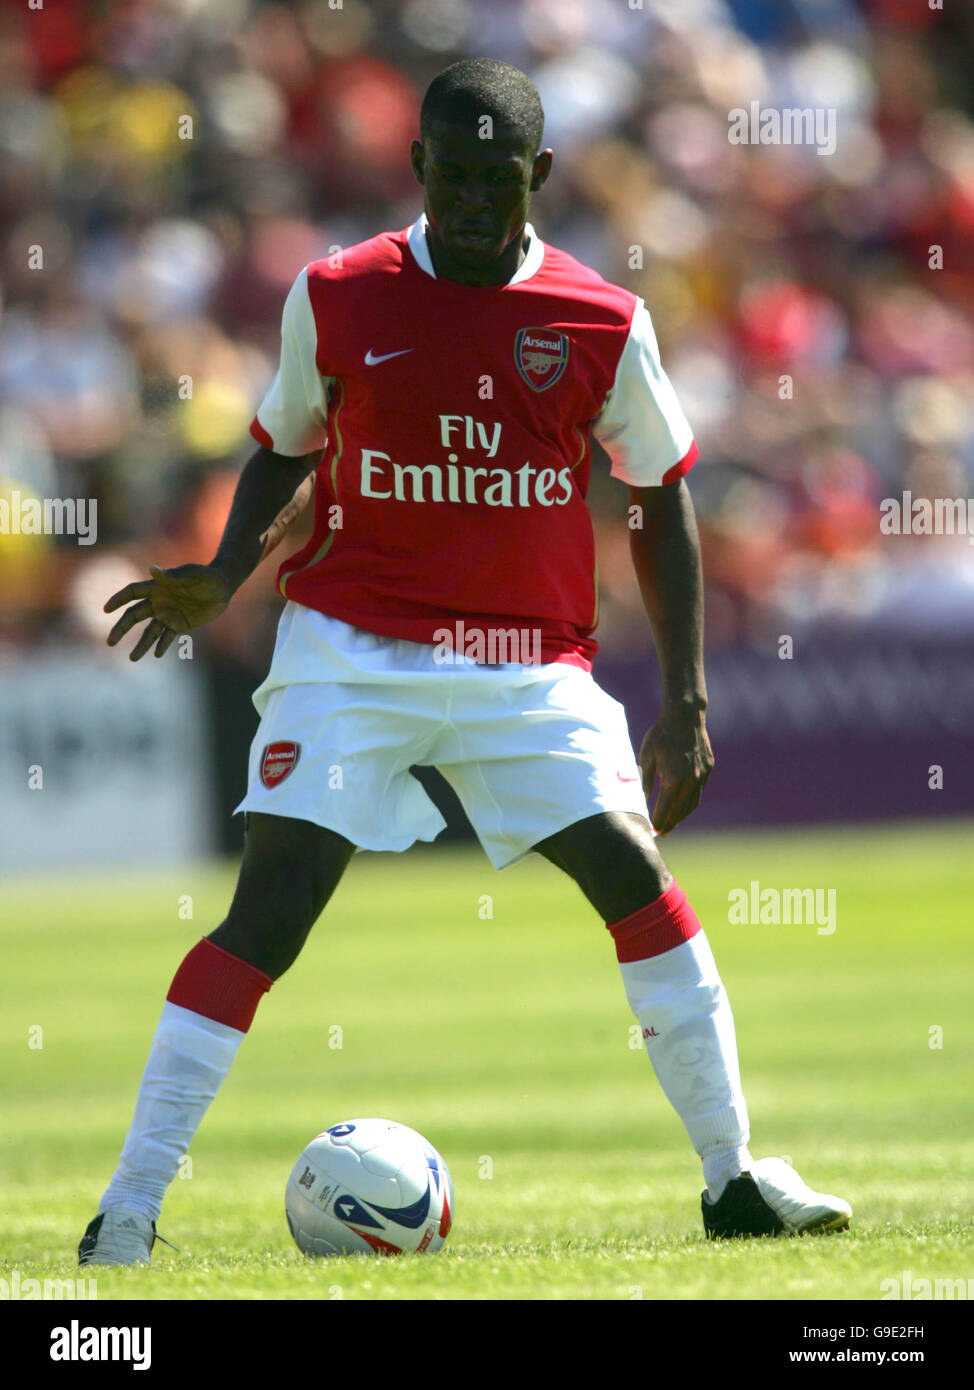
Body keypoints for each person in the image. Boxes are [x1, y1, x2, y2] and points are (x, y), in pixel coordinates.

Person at [79, 58, 850, 1265]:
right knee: (269, 914)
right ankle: (127, 1211)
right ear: (417, 168)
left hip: (527, 664)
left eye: (499, 177)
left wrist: (685, 698)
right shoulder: (337, 295)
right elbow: (288, 449)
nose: (474, 199)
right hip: (349, 649)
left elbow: (659, 495)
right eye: (452, 175)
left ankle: (733, 1176)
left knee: (634, 882)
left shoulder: (602, 320)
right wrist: (225, 577)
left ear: (538, 174)